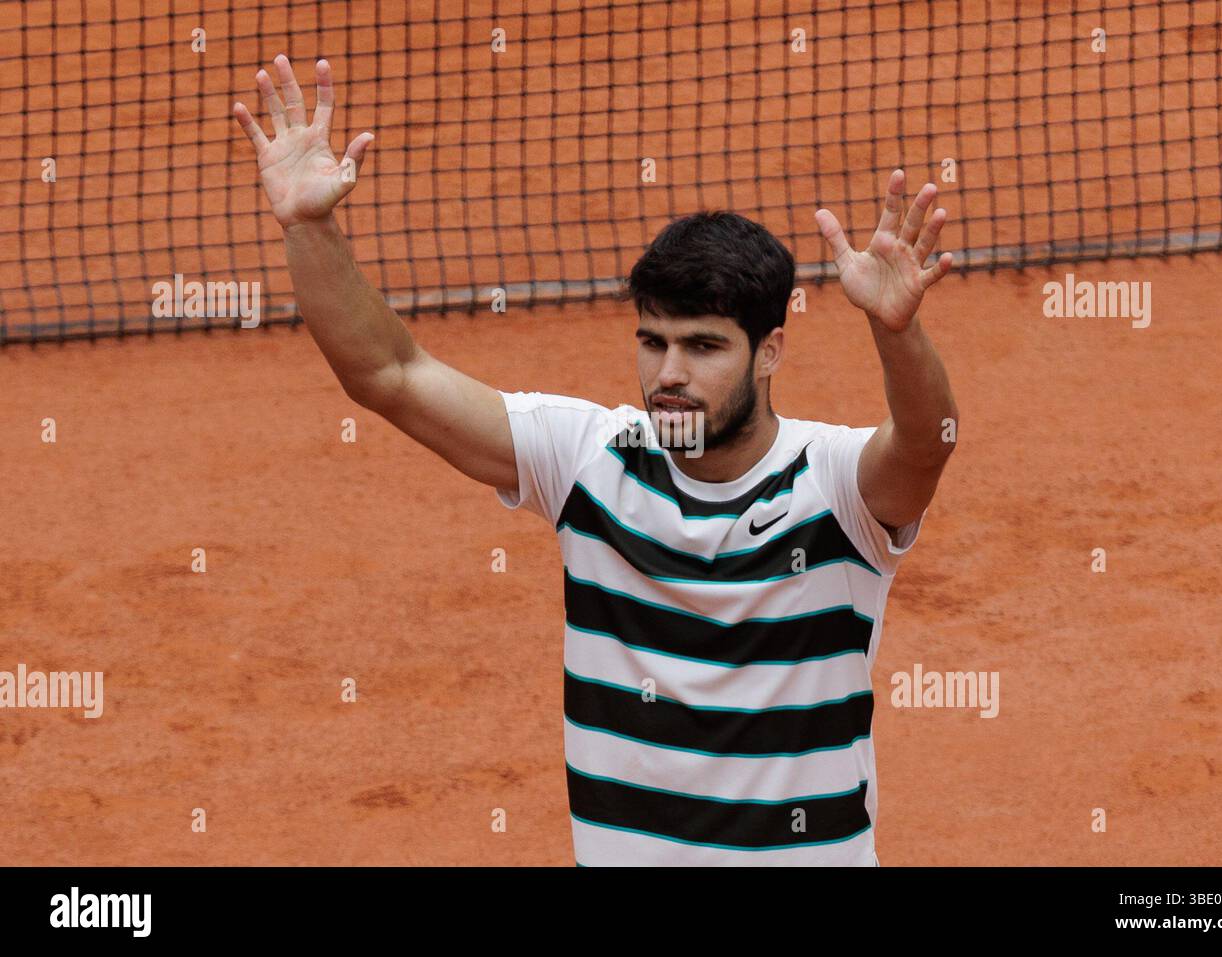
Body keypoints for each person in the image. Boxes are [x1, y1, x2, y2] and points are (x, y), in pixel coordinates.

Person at [234, 55, 958, 866]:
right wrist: (308, 226)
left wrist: (899, 335)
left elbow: (927, 446)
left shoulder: (834, 487)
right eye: (653, 341)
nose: (669, 373)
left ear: (769, 352)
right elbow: (389, 374)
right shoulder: (588, 457)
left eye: (703, 346)